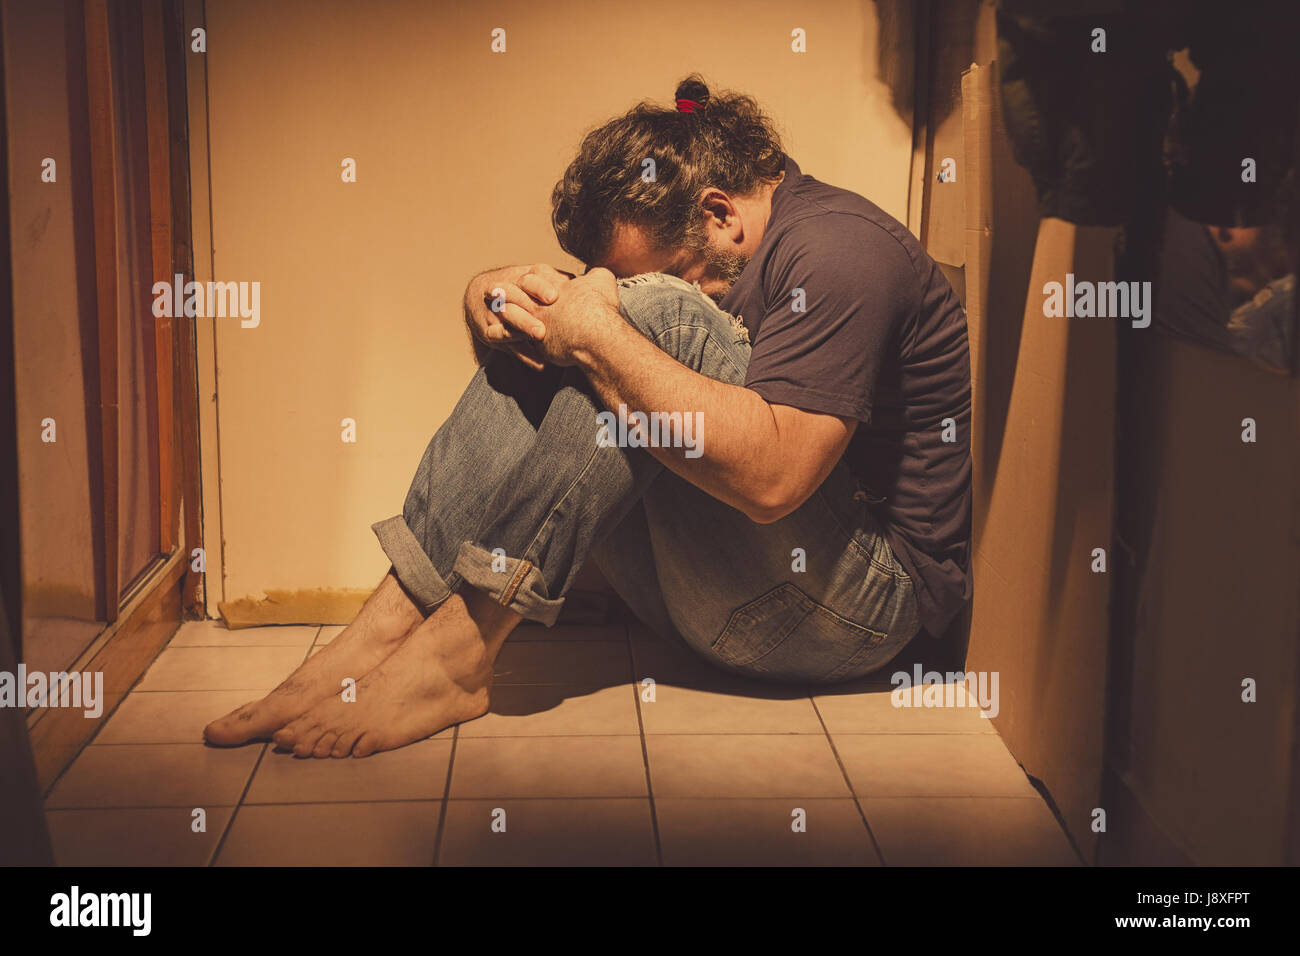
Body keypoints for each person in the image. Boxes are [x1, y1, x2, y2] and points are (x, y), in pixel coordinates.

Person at [204, 76, 972, 758]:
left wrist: (601, 325)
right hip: (702, 607)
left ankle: (458, 657)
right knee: (577, 325)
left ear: (721, 215)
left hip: (849, 615)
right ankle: (368, 644)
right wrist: (494, 298)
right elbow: (590, 333)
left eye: (679, 271)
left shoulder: (842, 250)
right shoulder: (723, 252)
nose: (673, 290)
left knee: (636, 324)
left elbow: (775, 480)